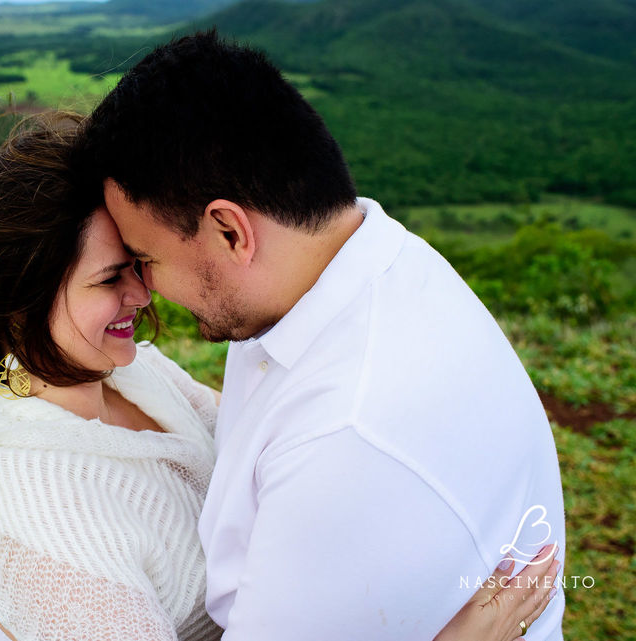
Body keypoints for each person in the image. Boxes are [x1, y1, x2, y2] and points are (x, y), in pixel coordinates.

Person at [0, 113, 558, 641]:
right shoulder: (37, 510)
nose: (143, 296)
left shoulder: (132, 374)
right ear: (12, 303)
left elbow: (272, 455)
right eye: (111, 278)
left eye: (139, 265)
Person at [76, 30, 567, 641]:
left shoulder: (345, 438)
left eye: (146, 258)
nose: (146, 290)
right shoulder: (357, 264)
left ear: (230, 232)